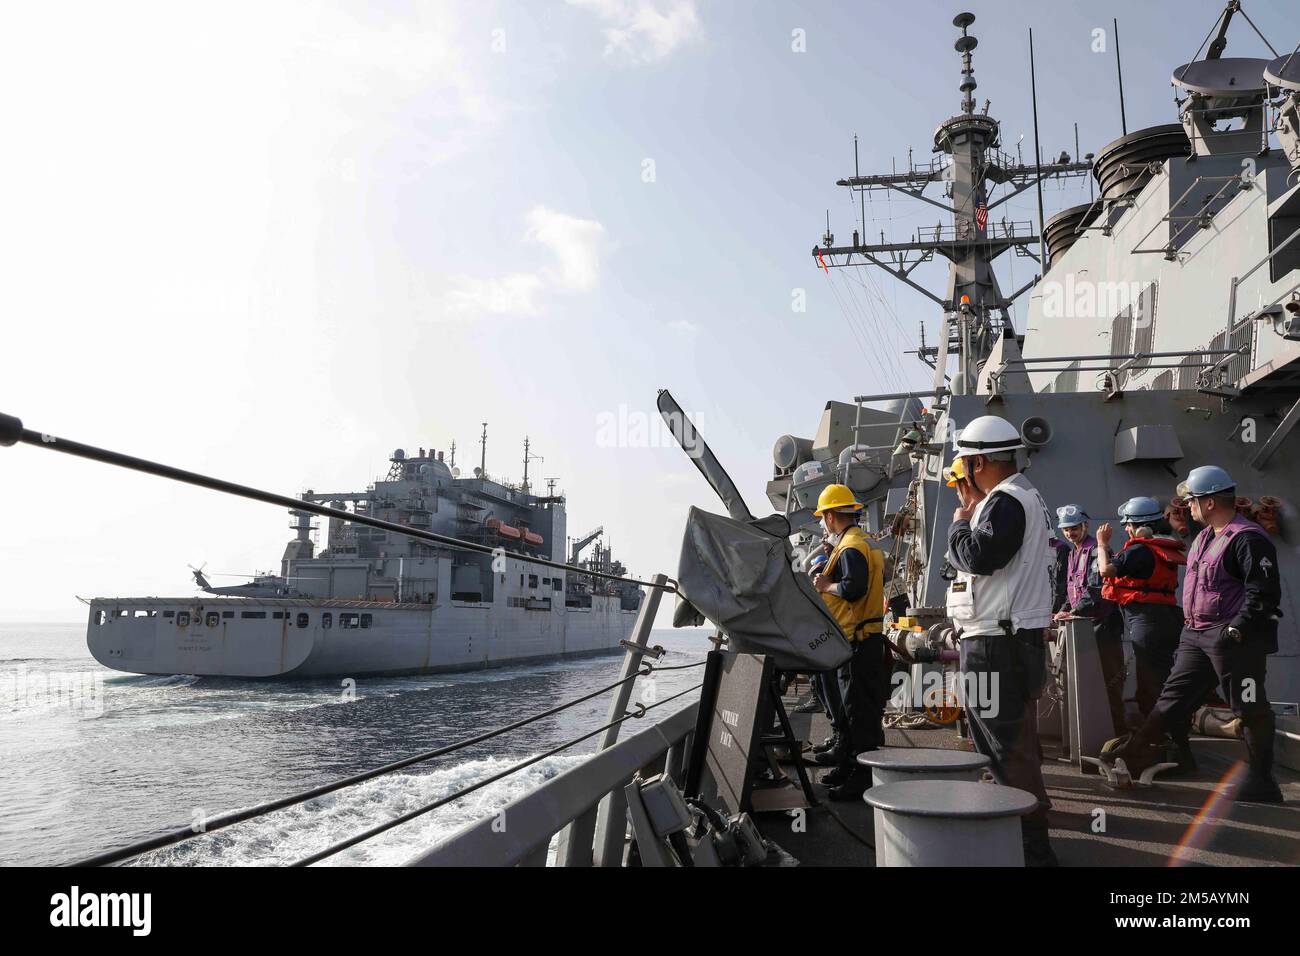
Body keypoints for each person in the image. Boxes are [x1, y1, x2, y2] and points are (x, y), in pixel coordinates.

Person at [1103, 467, 1284, 803]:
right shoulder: (1203, 538)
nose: (1188, 507)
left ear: (1210, 502)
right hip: (1196, 634)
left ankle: (1262, 781)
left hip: (1234, 640)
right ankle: (1135, 755)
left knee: (1249, 706)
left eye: (1192, 501)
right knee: (1172, 698)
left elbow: (1263, 593)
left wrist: (1236, 630)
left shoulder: (1248, 539)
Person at [945, 415, 1058, 866]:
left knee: (1003, 748)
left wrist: (959, 523)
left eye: (965, 466)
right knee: (1014, 743)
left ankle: (1031, 849)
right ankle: (1022, 835)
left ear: (979, 463)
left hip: (995, 644)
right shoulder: (1026, 497)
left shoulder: (1006, 500)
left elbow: (979, 556)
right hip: (1012, 638)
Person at [1095, 496, 1194, 773]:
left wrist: (1102, 544)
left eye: (1128, 525)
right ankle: (1178, 749)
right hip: (1165, 619)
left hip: (1148, 623)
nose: (1126, 530)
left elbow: (1105, 570)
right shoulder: (1160, 547)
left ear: (1140, 527)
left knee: (1151, 690)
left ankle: (1161, 751)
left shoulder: (1140, 550)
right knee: (1162, 685)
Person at [809, 483, 887, 801]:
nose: (824, 522)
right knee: (857, 710)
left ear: (830, 516)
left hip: (858, 642)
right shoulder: (863, 541)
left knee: (858, 714)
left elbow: (853, 589)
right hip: (862, 640)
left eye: (823, 516)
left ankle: (862, 778)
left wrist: (826, 586)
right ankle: (849, 767)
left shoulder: (851, 546)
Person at [1052, 505, 1127, 737]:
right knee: (1088, 684)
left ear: (1085, 525)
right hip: (1083, 628)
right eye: (1066, 529)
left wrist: (1074, 611)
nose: (1070, 533)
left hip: (1104, 627)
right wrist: (1063, 611)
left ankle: (1118, 735)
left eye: (1074, 528)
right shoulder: (1073, 553)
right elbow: (1071, 591)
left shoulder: (1096, 550)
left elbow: (1096, 589)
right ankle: (1094, 734)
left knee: (1109, 682)